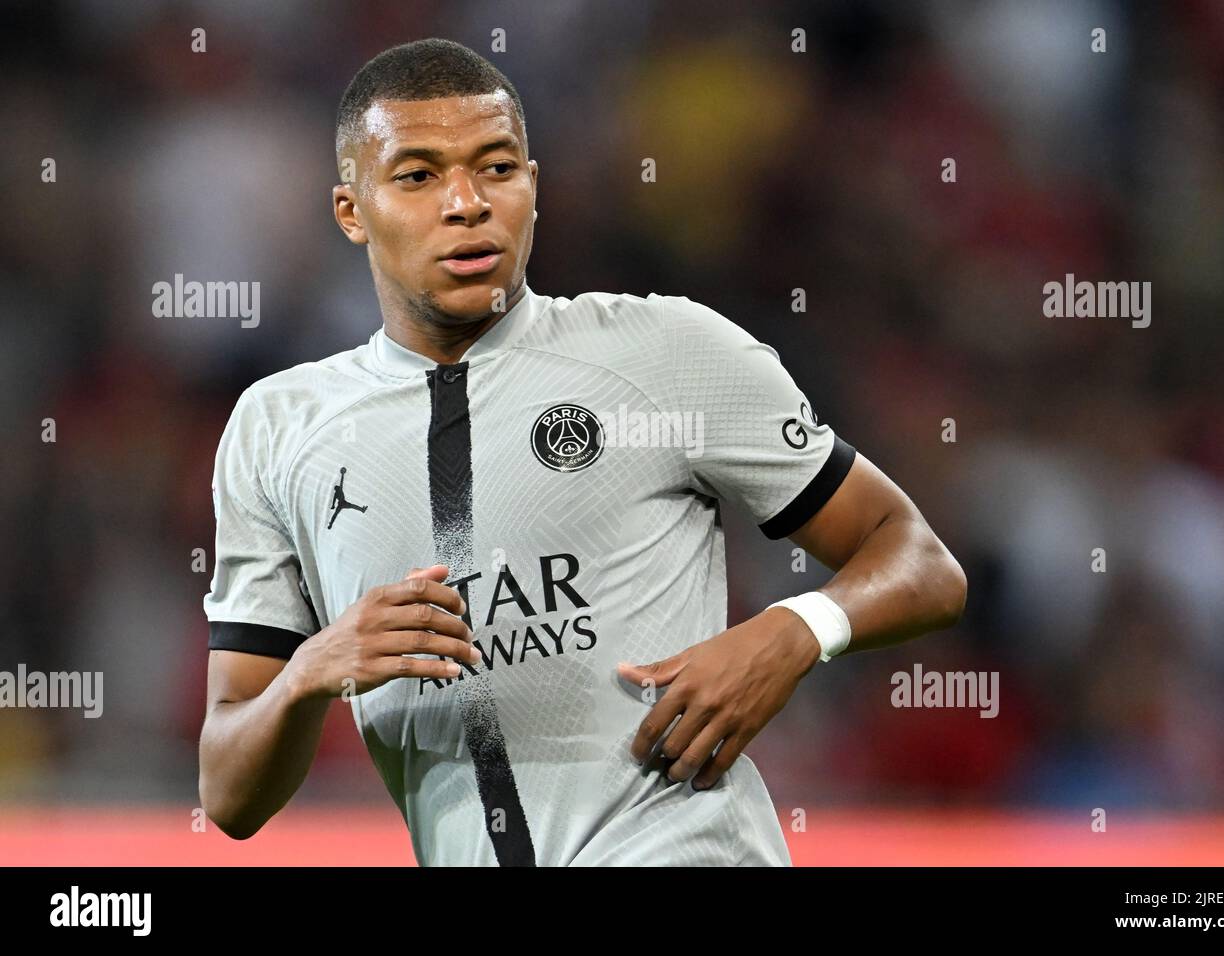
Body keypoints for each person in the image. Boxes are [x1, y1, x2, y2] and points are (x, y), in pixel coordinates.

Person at [198, 37, 966, 866]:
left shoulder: (668, 349)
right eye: (418, 176)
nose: (466, 202)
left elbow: (919, 561)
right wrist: (311, 671)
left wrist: (792, 630)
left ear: (533, 186)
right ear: (352, 210)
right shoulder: (275, 429)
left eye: (496, 167)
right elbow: (230, 795)